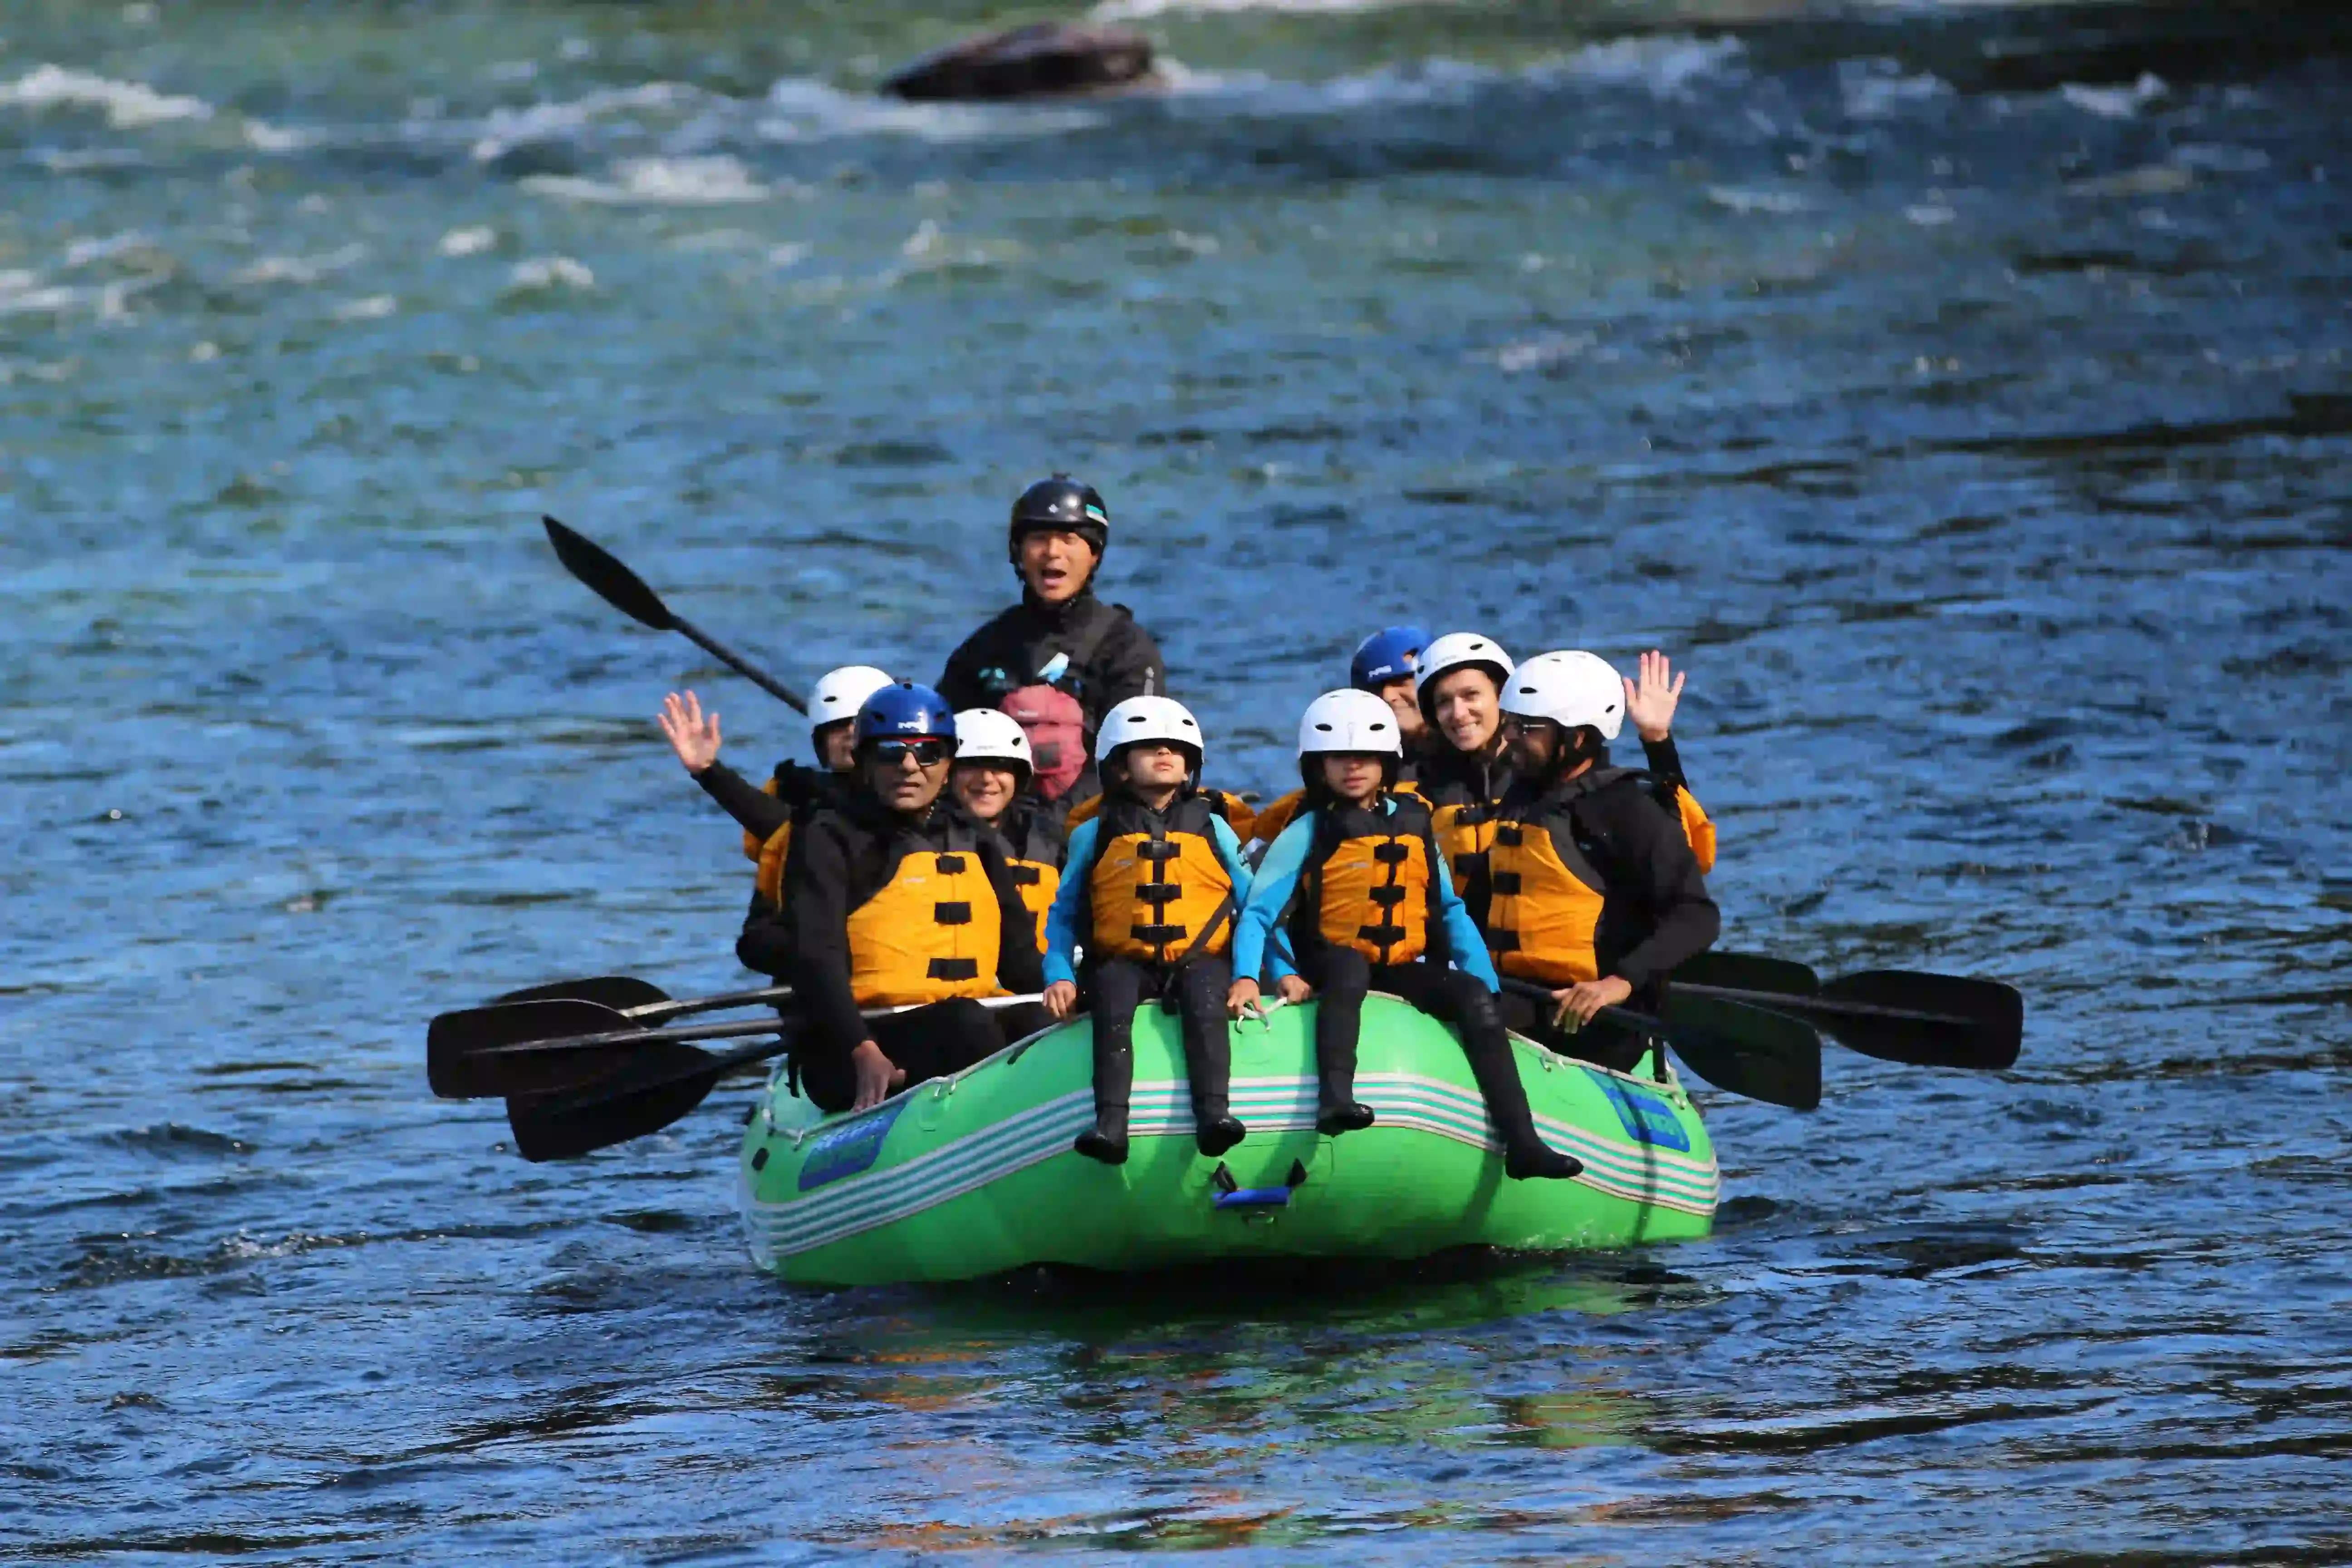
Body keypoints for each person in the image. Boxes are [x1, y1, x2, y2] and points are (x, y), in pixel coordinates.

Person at [1227, 690, 1583, 1179]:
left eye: (1367, 758)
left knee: (1475, 998)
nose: (1354, 768)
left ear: (1388, 762)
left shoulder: (1415, 823)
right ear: (1318, 767)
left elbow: (1450, 909)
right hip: (1330, 961)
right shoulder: (1308, 830)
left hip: (1398, 965)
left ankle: (1523, 1144)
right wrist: (1259, 975)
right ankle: (1335, 1099)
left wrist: (1488, 984)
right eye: (1340, 758)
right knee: (1350, 970)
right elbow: (1257, 915)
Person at [781, 682, 1049, 1112]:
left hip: (959, 1020)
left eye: (927, 753)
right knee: (968, 1024)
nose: (909, 766)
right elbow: (817, 957)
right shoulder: (829, 836)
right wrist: (860, 1047)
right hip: (857, 1040)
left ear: (947, 764)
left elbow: (1019, 958)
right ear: (863, 761)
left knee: (1036, 1020)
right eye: (891, 752)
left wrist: (1069, 996)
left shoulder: (972, 837)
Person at [1481, 651, 1722, 1072]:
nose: (1511, 737)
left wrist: (1618, 982)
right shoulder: (1522, 800)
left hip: (1596, 1017)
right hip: (1519, 994)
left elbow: (1696, 916)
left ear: (1578, 739)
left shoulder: (1625, 808)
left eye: (1528, 728)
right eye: (1510, 724)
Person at [1041, 696, 1253, 1165]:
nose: (1165, 755)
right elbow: (1063, 915)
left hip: (1200, 958)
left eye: (1176, 749)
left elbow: (1254, 907)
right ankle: (1112, 1124)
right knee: (1112, 1006)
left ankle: (1214, 1115)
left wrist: (1252, 974)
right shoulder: (1092, 835)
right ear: (1118, 765)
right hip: (1123, 962)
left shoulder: (1215, 828)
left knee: (1205, 1003)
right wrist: (1059, 974)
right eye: (1150, 748)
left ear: (1190, 765)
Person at [1416, 636, 1715, 927]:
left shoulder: (1563, 781)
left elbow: (1681, 851)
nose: (1457, 713)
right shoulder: (1417, 786)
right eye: (1443, 702)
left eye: (1471, 695)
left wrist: (1657, 742)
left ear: (1503, 698)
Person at [936, 475, 1166, 812]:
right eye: (1039, 538)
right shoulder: (986, 646)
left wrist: (1057, 827)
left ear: (1095, 554)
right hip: (997, 823)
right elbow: (941, 745)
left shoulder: (1127, 648)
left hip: (1091, 827)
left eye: (1069, 539)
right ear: (1018, 552)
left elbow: (1137, 758)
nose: (1052, 552)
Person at [656, 666, 896, 976]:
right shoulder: (801, 804)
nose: (850, 733)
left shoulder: (928, 805)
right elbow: (756, 944)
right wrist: (709, 771)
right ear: (821, 743)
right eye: (837, 727)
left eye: (860, 725)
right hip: (829, 990)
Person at [1248, 625, 1431, 851]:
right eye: (1376, 688)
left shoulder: (1474, 768)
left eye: (1401, 682)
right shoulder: (1307, 806)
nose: (1388, 696)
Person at [950, 707, 1067, 944]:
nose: (986, 780)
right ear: (948, 774)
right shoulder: (919, 842)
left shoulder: (1051, 840)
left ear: (1019, 777)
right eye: (972, 765)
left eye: (1001, 766)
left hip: (1040, 975)